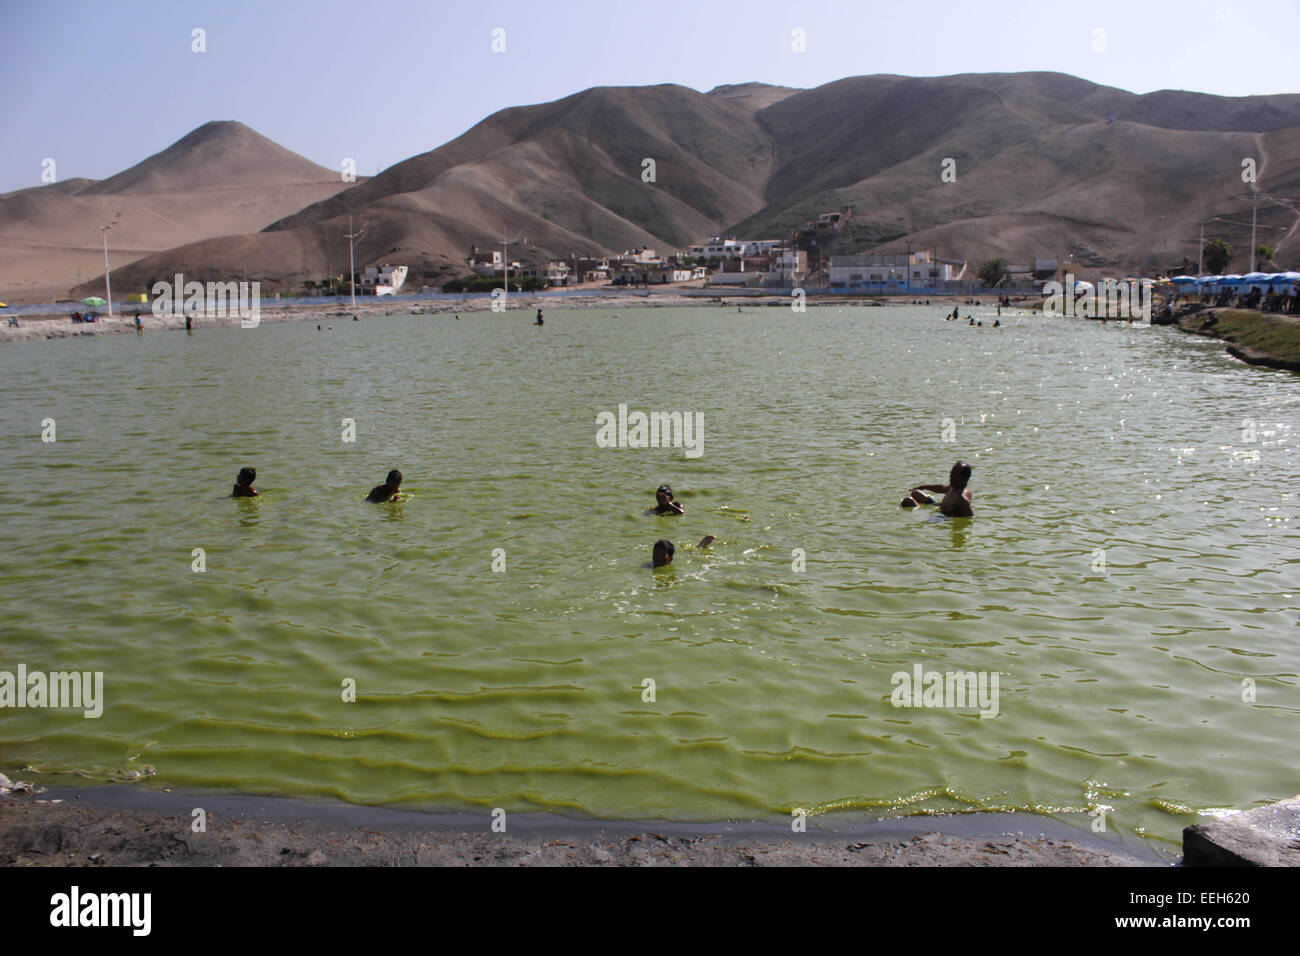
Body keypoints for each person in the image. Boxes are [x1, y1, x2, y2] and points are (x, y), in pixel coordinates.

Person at [901, 461, 973, 517]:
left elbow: (970, 515)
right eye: (951, 473)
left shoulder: (961, 497)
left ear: (964, 478)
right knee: (916, 493)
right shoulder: (954, 486)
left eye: (955, 474)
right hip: (939, 506)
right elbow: (941, 488)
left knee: (907, 501)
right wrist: (924, 487)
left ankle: (916, 510)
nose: (950, 476)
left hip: (943, 516)